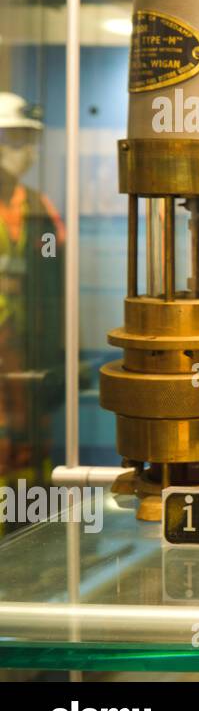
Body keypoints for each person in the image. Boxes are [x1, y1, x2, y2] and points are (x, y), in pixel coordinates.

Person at [0, 93, 65, 535]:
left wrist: (58, 351)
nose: (29, 151)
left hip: (26, 347)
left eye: (31, 140)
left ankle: (28, 529)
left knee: (27, 429)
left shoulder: (37, 207)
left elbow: (54, 277)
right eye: (19, 139)